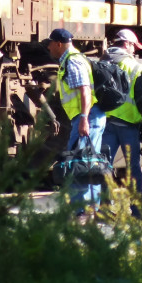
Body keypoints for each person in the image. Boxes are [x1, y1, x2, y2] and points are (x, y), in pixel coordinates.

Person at [44, 28, 104, 212]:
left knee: (81, 163)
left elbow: (85, 91)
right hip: (86, 116)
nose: (48, 48)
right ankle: (90, 209)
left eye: (50, 44)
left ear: (58, 44)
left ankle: (83, 210)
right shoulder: (72, 59)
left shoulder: (73, 61)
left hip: (87, 116)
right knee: (89, 163)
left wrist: (84, 118)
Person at [101, 29, 142, 205]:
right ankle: (137, 210)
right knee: (133, 168)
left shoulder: (102, 62)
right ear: (127, 44)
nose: (134, 51)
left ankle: (104, 208)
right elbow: (140, 97)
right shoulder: (135, 66)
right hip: (128, 124)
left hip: (106, 122)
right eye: (133, 46)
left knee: (104, 166)